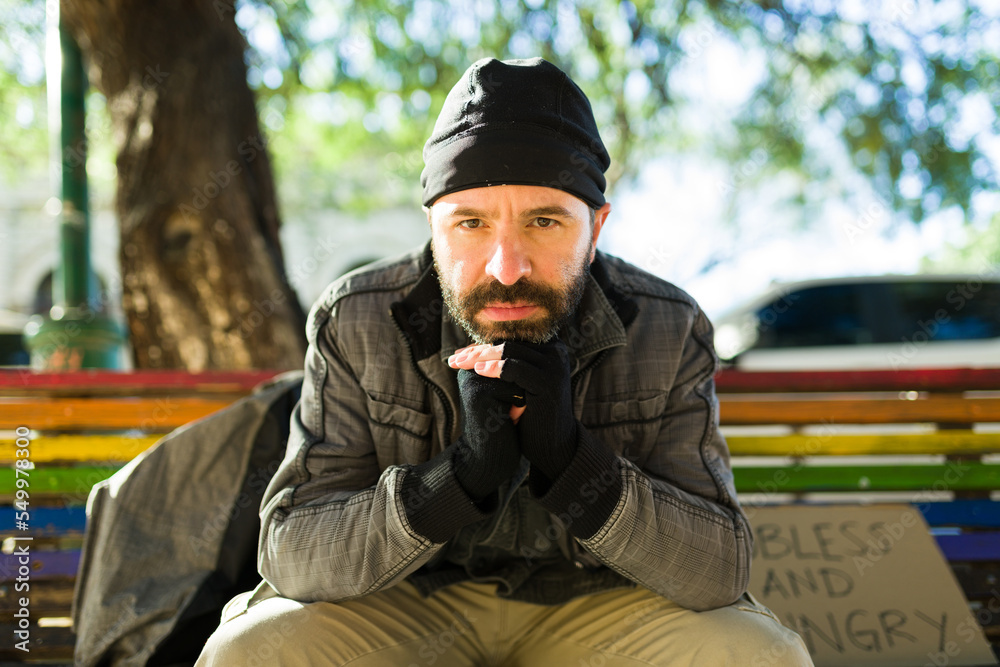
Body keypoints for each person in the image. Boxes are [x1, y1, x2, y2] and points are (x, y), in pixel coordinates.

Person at [196, 57, 813, 666]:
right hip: (407, 601)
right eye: (471, 223)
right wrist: (455, 481)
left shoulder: (667, 326)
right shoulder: (357, 319)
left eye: (544, 221)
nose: (507, 268)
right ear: (434, 227)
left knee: (759, 655)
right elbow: (293, 552)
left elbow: (718, 568)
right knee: (246, 653)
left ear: (595, 229)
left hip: (597, 603)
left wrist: (573, 463)